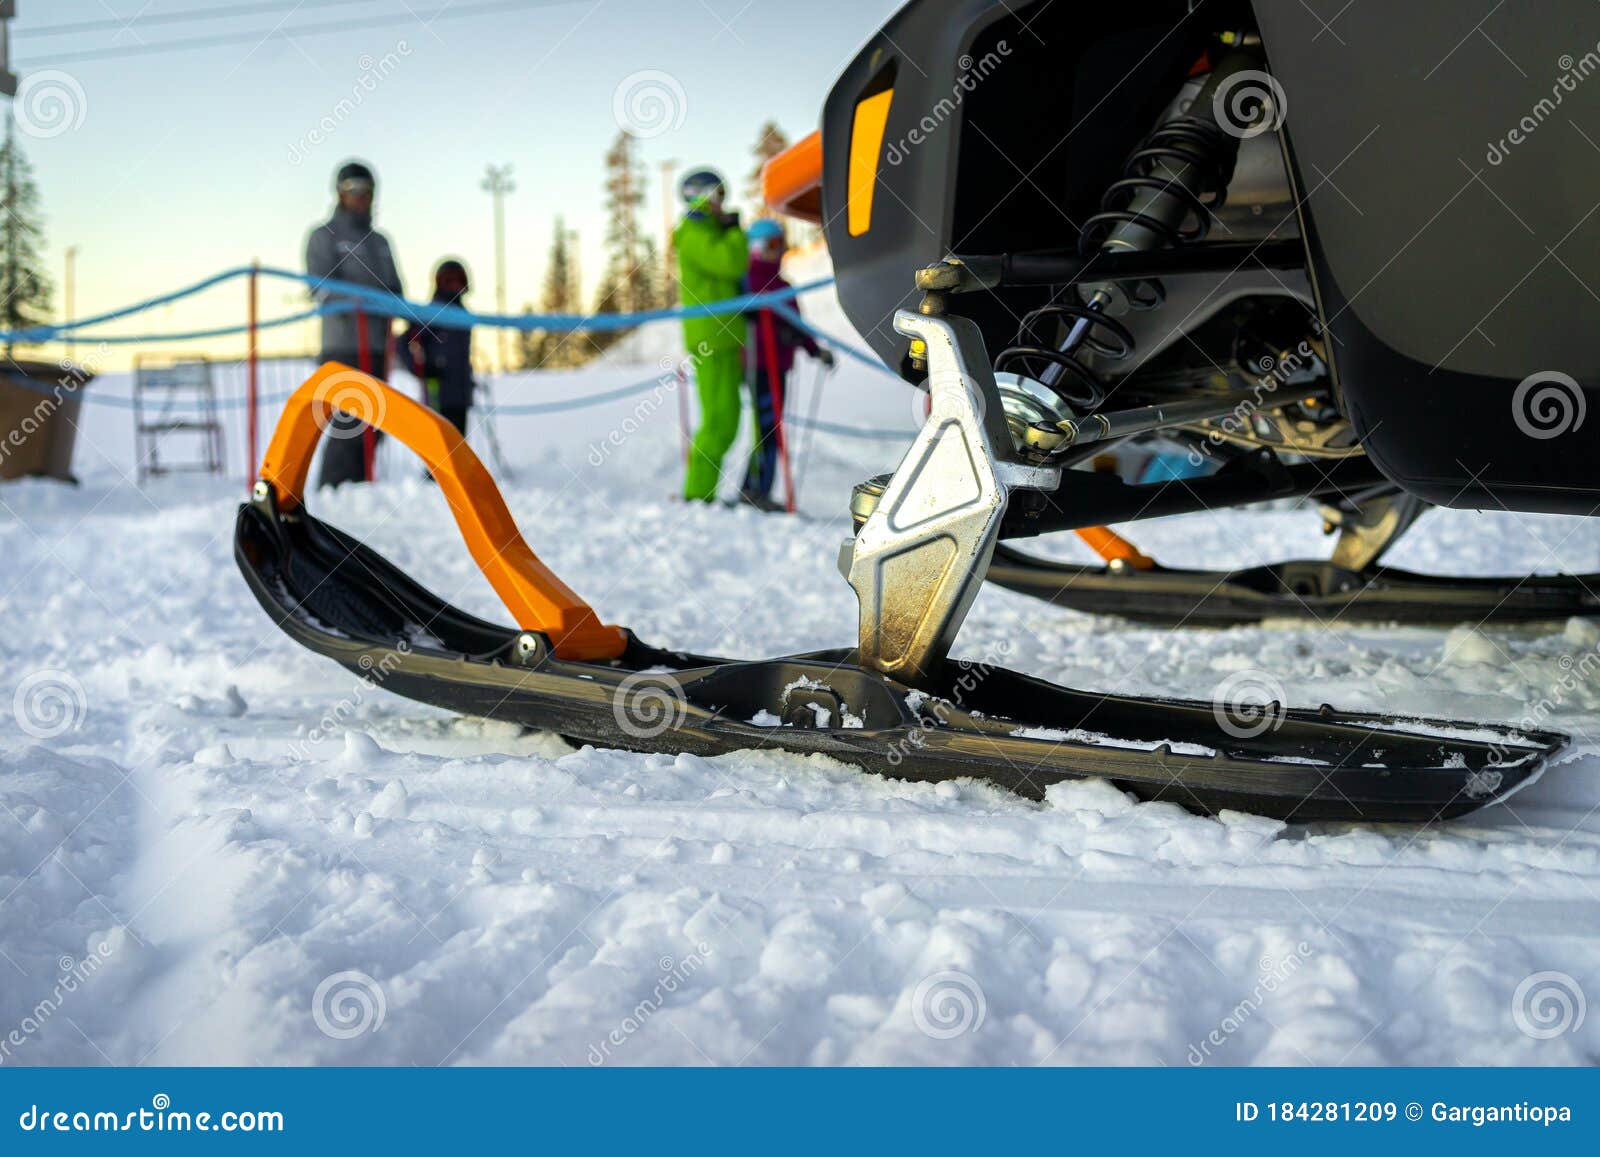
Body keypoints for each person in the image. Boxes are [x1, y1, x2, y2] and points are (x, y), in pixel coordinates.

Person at [305, 160, 404, 486]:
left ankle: (361, 494)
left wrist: (387, 305)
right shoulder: (324, 236)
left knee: (373, 425)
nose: (360, 197)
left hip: (375, 346)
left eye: (366, 191)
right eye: (353, 191)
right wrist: (360, 301)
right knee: (347, 424)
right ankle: (333, 494)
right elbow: (320, 286)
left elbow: (396, 290)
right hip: (342, 346)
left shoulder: (381, 242)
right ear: (339, 193)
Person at [740, 219, 834, 511]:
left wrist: (813, 349)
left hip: (779, 365)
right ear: (755, 247)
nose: (777, 250)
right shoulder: (748, 280)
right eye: (770, 244)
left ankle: (754, 489)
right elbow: (746, 316)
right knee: (767, 427)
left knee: (771, 427)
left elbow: (797, 325)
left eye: (780, 243)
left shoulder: (783, 286)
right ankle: (756, 492)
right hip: (759, 364)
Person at [673, 167, 748, 502]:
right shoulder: (694, 231)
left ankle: (702, 494)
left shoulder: (707, 230)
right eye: (717, 195)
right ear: (700, 195)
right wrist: (734, 232)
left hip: (724, 336)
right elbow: (731, 262)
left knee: (727, 421)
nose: (721, 204)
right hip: (712, 339)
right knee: (719, 421)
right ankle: (697, 495)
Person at [402, 259, 476, 436]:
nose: (455, 286)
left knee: (458, 447)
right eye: (450, 281)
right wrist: (420, 369)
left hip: (461, 395)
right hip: (438, 394)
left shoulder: (464, 314)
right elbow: (403, 341)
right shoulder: (431, 313)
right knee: (439, 445)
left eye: (459, 280)